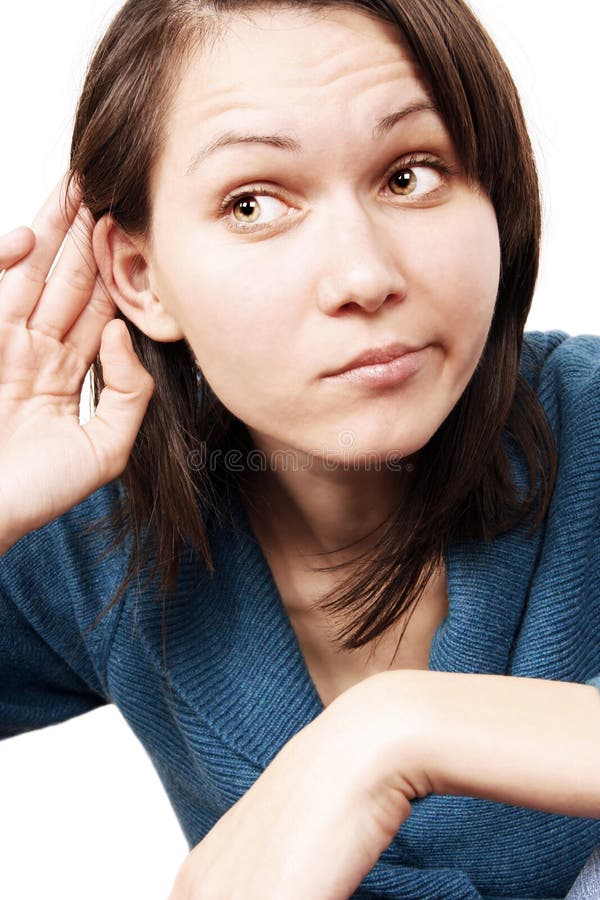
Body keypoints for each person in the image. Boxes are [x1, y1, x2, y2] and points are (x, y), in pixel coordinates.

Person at [1, 0, 599, 897]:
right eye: (254, 203)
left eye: (411, 175)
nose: (364, 276)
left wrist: (396, 732)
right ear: (140, 275)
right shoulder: (101, 537)